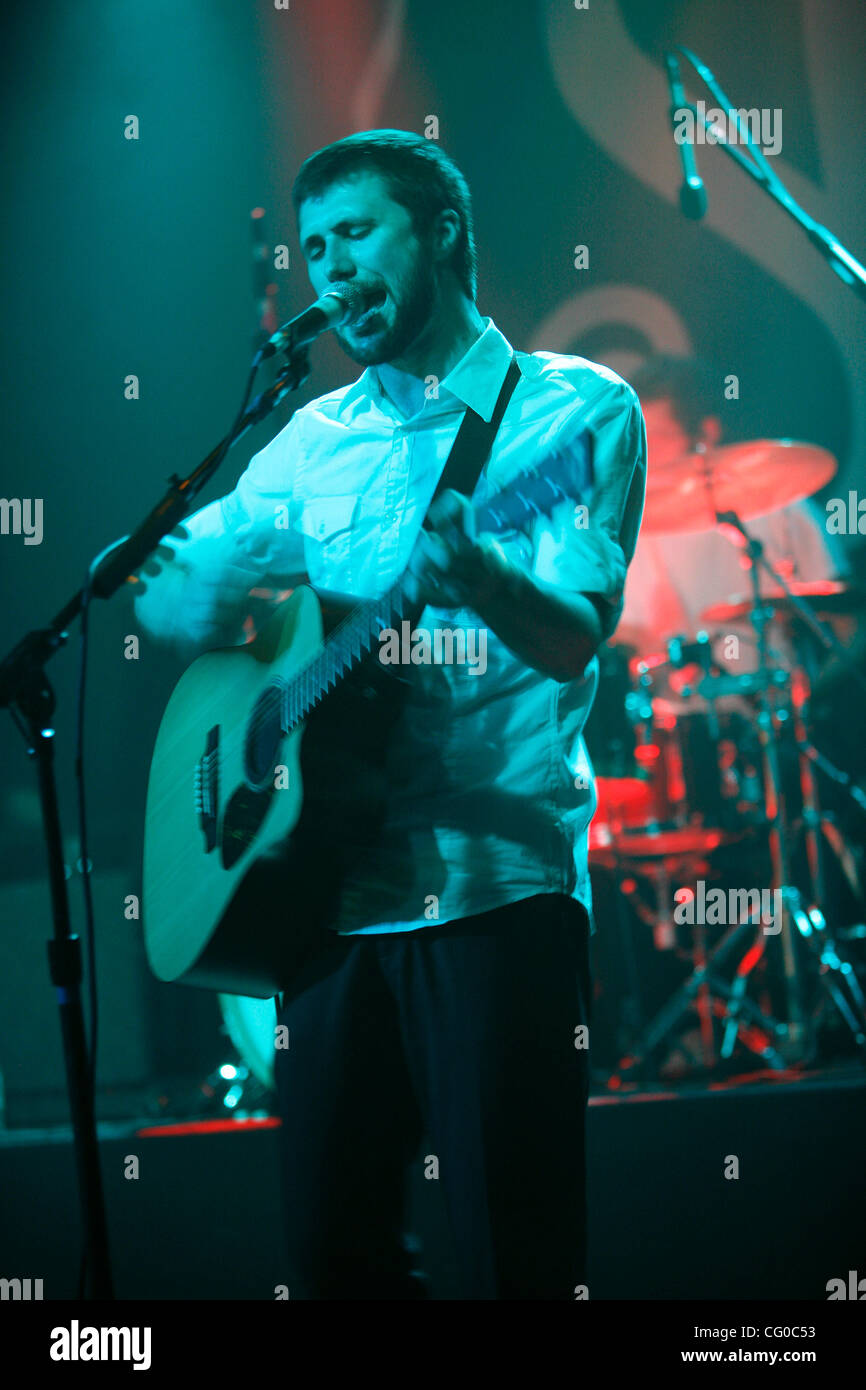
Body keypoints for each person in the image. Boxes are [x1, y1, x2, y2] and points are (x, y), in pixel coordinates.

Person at [132, 130, 646, 1299]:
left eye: (355, 234)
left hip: (490, 898)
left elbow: (573, 628)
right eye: (314, 249)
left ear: (442, 231)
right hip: (322, 909)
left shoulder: (570, 412)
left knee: (515, 1254)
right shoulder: (310, 440)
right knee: (333, 1262)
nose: (331, 272)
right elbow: (166, 570)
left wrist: (486, 578)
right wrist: (174, 590)